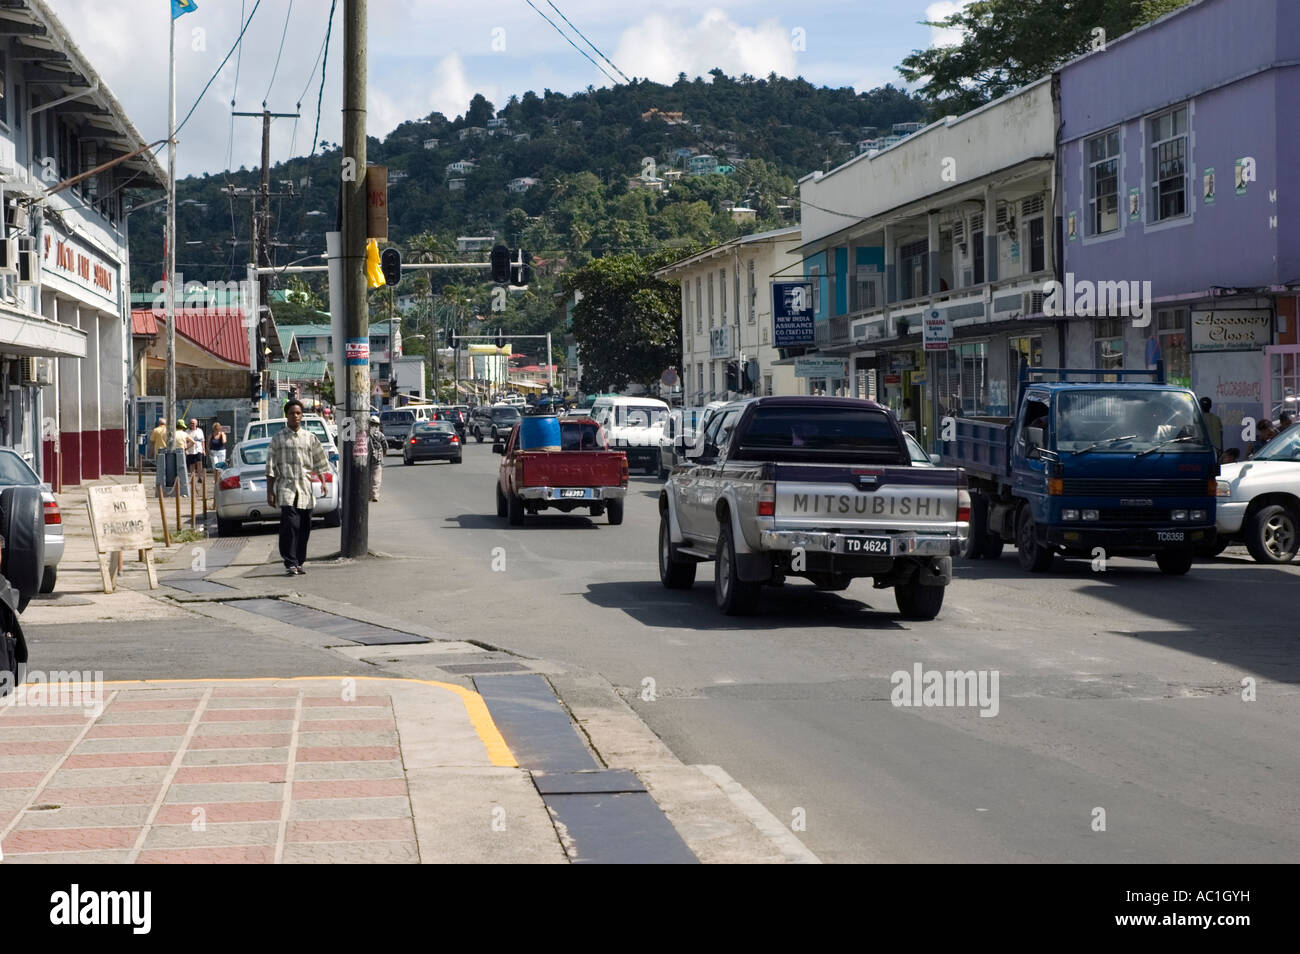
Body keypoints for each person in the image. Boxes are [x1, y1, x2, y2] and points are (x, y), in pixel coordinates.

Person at [265, 399, 329, 576]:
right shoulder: (278, 439)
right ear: (286, 415)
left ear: (302, 415)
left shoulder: (310, 438)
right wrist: (270, 492)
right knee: (290, 525)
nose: (295, 416)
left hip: (305, 490)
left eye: (298, 413)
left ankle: (300, 561)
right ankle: (290, 562)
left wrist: (323, 482)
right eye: (292, 413)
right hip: (286, 488)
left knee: (304, 527)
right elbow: (270, 467)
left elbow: (319, 462)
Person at [366, 414, 385, 503]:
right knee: (376, 477)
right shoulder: (380, 435)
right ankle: (374, 495)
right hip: (377, 458)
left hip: (366, 459)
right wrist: (384, 454)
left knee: (368, 476)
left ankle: (369, 495)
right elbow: (385, 445)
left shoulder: (365, 434)